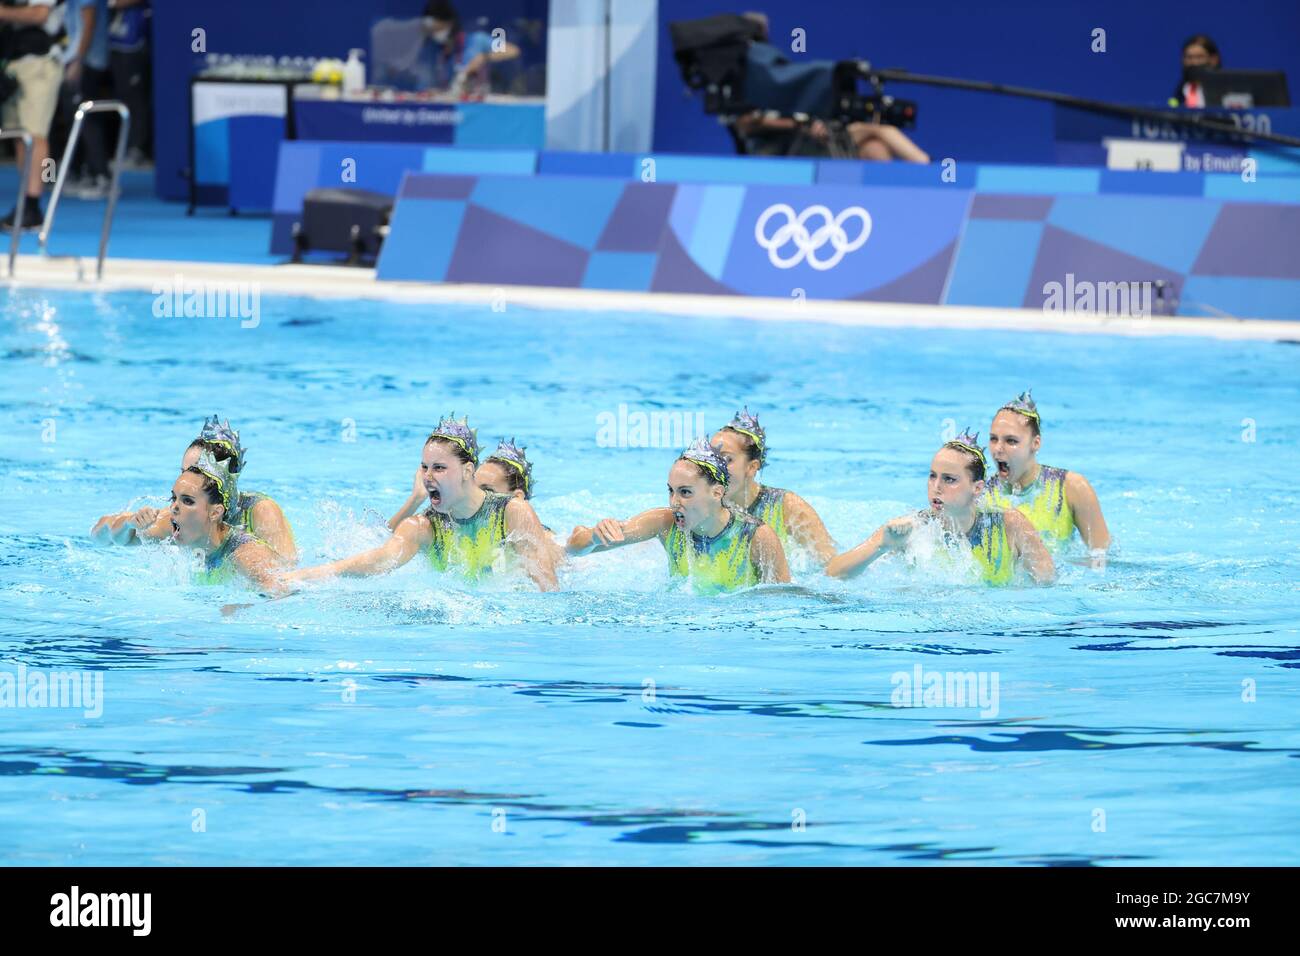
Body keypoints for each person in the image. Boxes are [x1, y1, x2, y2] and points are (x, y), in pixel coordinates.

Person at [287, 416, 559, 591]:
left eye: (439, 468)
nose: (428, 477)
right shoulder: (422, 527)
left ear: (467, 471)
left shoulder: (512, 512)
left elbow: (547, 585)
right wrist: (303, 576)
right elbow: (378, 560)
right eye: (424, 467)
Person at [826, 429, 1055, 586]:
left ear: (977, 488)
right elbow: (832, 574)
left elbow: (1047, 583)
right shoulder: (911, 529)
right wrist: (881, 545)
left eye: (949, 479)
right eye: (932, 476)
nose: (936, 487)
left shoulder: (1009, 525)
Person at [566, 437, 791, 594]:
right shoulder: (665, 523)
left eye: (685, 492)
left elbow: (781, 603)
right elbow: (573, 549)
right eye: (671, 491)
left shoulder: (755, 537)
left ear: (717, 492)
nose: (674, 503)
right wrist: (595, 536)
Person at [90, 416, 298, 563]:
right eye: (182, 472)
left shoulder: (260, 512)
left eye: (193, 472)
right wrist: (128, 524)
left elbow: (285, 578)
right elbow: (100, 536)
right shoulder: (183, 519)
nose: (184, 480)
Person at [984, 390, 1109, 564]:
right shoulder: (979, 494)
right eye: (993, 439)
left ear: (1035, 443)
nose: (998, 448)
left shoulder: (1072, 488)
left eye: (1011, 441)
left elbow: (1102, 559)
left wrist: (1053, 569)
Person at [711, 408, 836, 567]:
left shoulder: (787, 507)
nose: (714, 467)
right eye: (711, 458)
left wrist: (876, 545)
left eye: (726, 459)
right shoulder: (702, 505)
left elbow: (830, 565)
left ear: (751, 467)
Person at [169, 449, 287, 592]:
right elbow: (134, 536)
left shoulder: (243, 554)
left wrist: (242, 607)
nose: (174, 508)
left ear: (215, 513)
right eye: (173, 498)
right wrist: (134, 520)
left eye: (187, 501)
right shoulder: (186, 528)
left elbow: (284, 590)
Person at [0, 0, 66, 230]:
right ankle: (26, 199)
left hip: (41, 62)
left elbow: (40, 15)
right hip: (13, 60)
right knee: (20, 136)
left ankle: (35, 201)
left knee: (36, 135)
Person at [54, 0, 112, 199]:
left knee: (87, 120)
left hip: (87, 60)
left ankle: (102, 177)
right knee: (75, 119)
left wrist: (78, 59)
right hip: (77, 58)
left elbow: (89, 23)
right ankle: (84, 171)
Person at [422, 0, 519, 97]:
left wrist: (484, 57)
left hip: (486, 102)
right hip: (458, 105)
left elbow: (513, 50)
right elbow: (448, 88)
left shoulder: (478, 40)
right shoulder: (439, 53)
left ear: (450, 23)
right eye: (432, 30)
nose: (435, 33)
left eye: (439, 28)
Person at [106, 0, 149, 167]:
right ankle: (124, 146)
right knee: (122, 95)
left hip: (135, 39)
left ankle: (136, 149)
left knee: (135, 97)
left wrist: (113, 3)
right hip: (116, 38)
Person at [1173, 34, 1220, 108]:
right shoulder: (1180, 90)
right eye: (1189, 57)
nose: (1194, 63)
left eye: (1199, 57)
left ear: (1213, 59)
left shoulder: (1224, 91)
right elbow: (1172, 108)